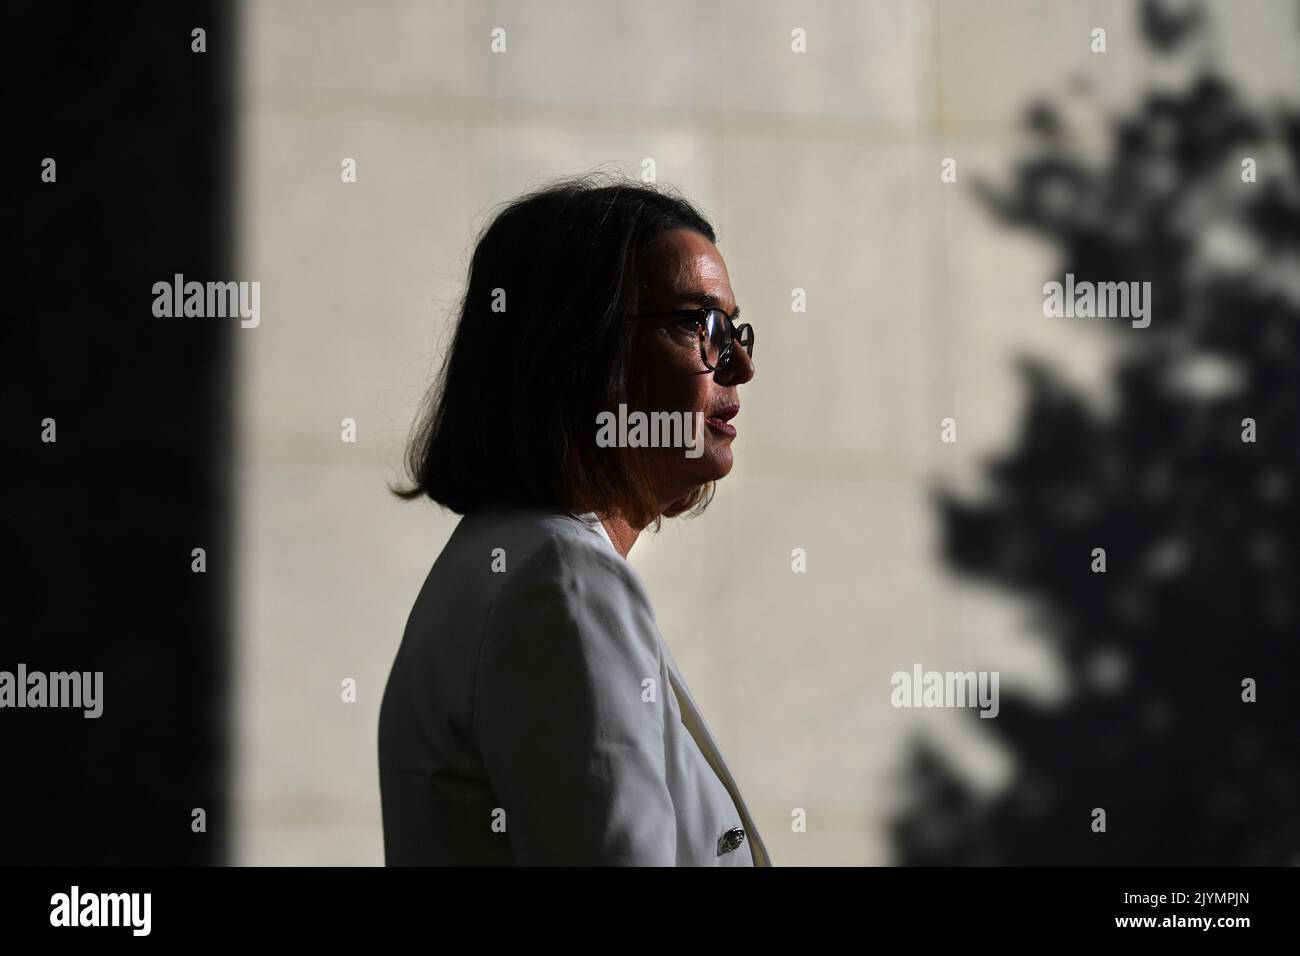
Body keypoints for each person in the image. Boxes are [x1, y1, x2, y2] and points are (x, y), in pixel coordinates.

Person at [379, 173, 766, 865]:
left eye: (735, 329)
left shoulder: (511, 561)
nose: (738, 365)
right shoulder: (560, 578)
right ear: (577, 349)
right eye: (696, 324)